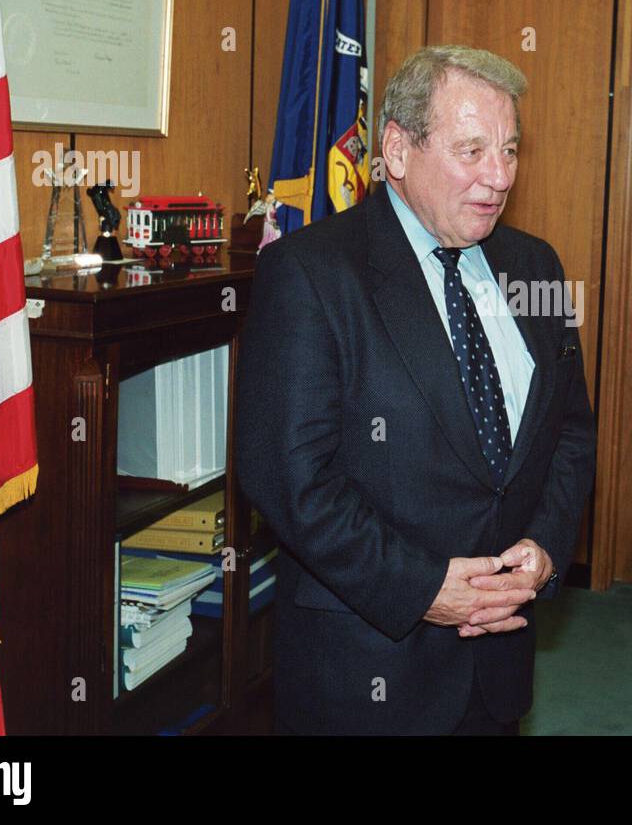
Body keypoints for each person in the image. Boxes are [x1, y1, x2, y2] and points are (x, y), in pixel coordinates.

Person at [236, 45, 596, 735]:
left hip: (499, 661)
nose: (499, 177)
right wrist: (423, 588)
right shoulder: (309, 275)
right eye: (471, 151)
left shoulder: (535, 264)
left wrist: (547, 546)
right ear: (397, 150)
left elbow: (570, 429)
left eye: (511, 150)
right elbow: (289, 480)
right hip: (369, 667)